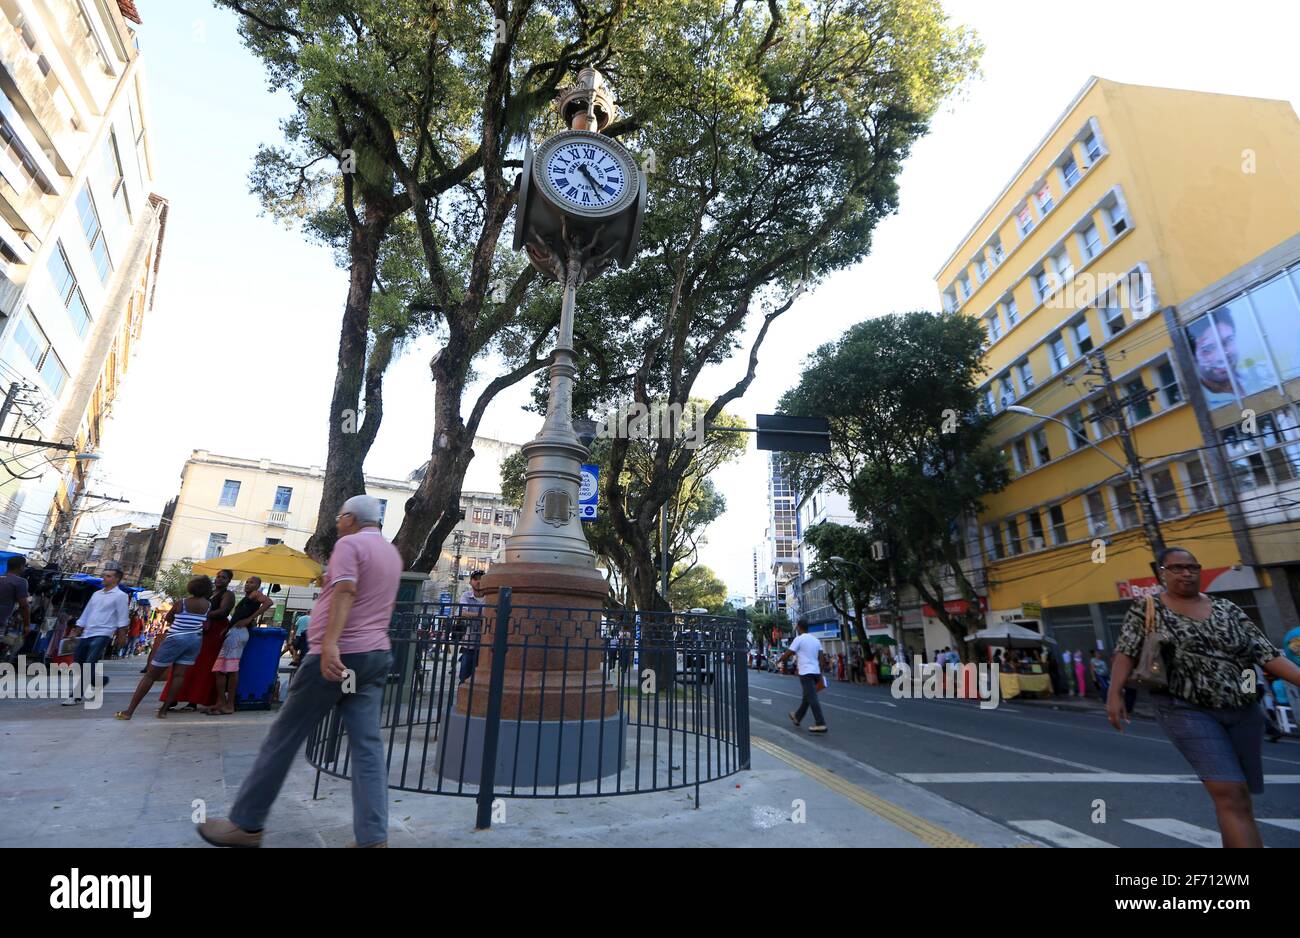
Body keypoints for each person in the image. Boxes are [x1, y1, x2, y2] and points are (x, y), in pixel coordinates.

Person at [198, 494, 402, 848]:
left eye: (340, 517)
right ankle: (372, 839)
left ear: (351, 519)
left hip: (337, 658)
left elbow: (347, 592)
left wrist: (331, 645)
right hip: (372, 658)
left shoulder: (350, 544)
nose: (337, 523)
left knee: (284, 737)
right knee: (367, 747)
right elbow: (373, 598)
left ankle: (246, 825)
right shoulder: (391, 554)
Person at [1107, 546, 1300, 848]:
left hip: (1242, 710)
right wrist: (1114, 693)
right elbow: (1126, 651)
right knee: (1230, 794)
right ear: (1162, 573)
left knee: (1239, 800)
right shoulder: (1148, 608)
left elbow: (1266, 654)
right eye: (1177, 567)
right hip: (1184, 708)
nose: (1186, 572)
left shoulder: (1228, 609)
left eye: (1192, 567)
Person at [117, 575, 212, 720]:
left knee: (151, 675)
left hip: (175, 638)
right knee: (179, 675)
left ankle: (129, 711)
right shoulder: (208, 605)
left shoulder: (183, 603)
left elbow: (168, 618)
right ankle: (163, 711)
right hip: (194, 640)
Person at [164, 569, 237, 710]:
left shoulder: (228, 594)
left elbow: (224, 611)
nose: (219, 579)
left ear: (228, 581)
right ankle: (175, 697)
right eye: (218, 576)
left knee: (203, 666)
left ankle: (194, 700)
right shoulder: (208, 593)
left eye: (223, 577)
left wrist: (204, 614)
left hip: (214, 632)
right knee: (187, 663)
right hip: (199, 629)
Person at [63, 564, 130, 705]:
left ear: (116, 579)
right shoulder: (96, 594)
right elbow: (87, 612)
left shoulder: (120, 596)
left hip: (103, 633)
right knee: (78, 662)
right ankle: (100, 681)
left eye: (108, 576)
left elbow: (123, 616)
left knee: (90, 663)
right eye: (104, 575)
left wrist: (122, 635)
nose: (104, 578)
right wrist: (77, 629)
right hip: (88, 632)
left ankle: (75, 696)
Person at [779, 619, 828, 734]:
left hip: (806, 673)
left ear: (798, 627)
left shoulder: (799, 639)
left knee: (812, 698)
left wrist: (780, 660)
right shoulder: (816, 640)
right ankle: (797, 717)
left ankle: (820, 723)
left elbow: (788, 654)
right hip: (815, 672)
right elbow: (822, 659)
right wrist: (820, 674)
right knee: (807, 697)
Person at [457, 570, 486, 685]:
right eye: (475, 579)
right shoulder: (466, 596)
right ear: (470, 582)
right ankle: (462, 701)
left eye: (481, 578)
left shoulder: (490, 597)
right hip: (469, 643)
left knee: (483, 679)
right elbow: (461, 612)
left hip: (486, 645)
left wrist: (473, 615)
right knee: (464, 677)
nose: (478, 581)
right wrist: (481, 616)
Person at [0, 555, 30, 663]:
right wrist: (27, 625)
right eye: (24, 566)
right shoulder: (20, 582)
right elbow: (24, 606)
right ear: (21, 567)